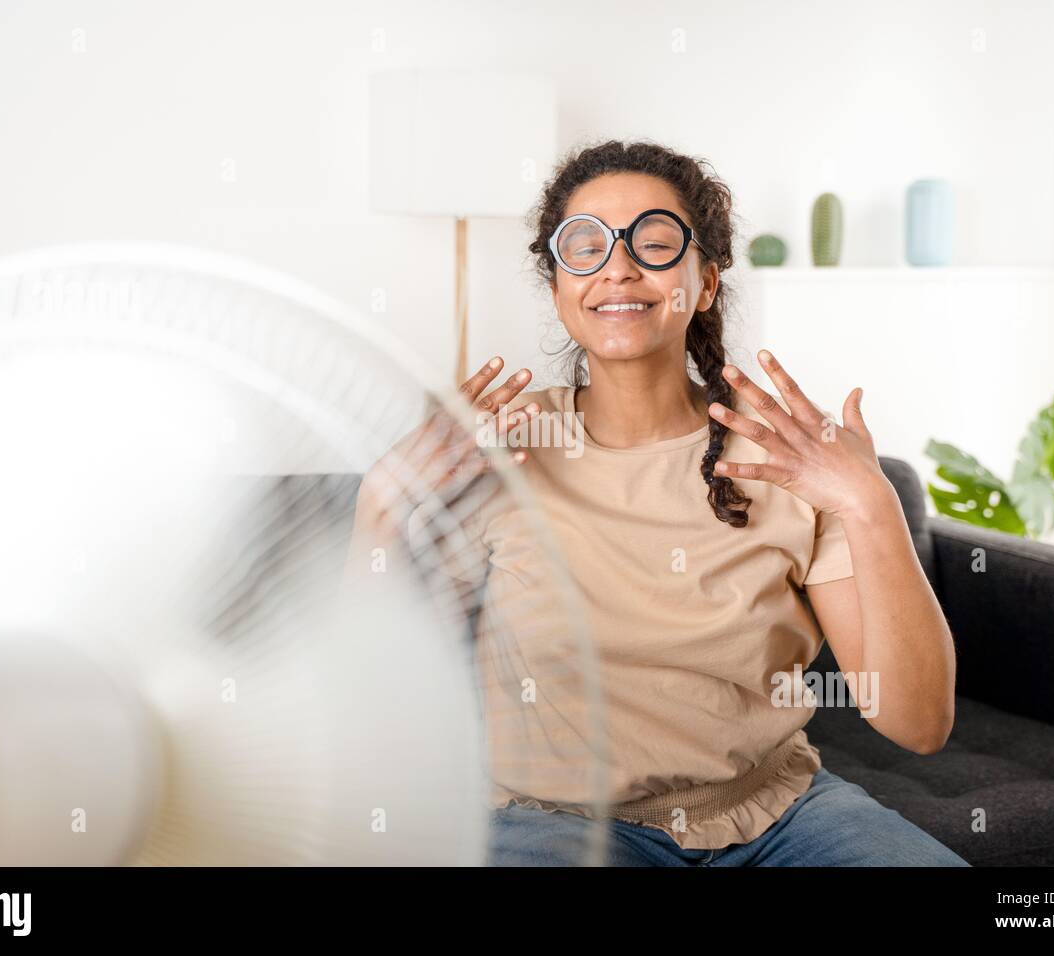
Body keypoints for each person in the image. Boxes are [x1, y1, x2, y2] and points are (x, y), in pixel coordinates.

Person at [351, 139, 968, 867]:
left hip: (777, 814)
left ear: (705, 283)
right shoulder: (499, 445)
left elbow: (919, 723)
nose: (618, 266)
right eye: (586, 246)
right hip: (550, 823)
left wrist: (870, 504)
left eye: (653, 242)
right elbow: (386, 703)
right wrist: (380, 508)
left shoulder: (789, 456)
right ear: (557, 290)